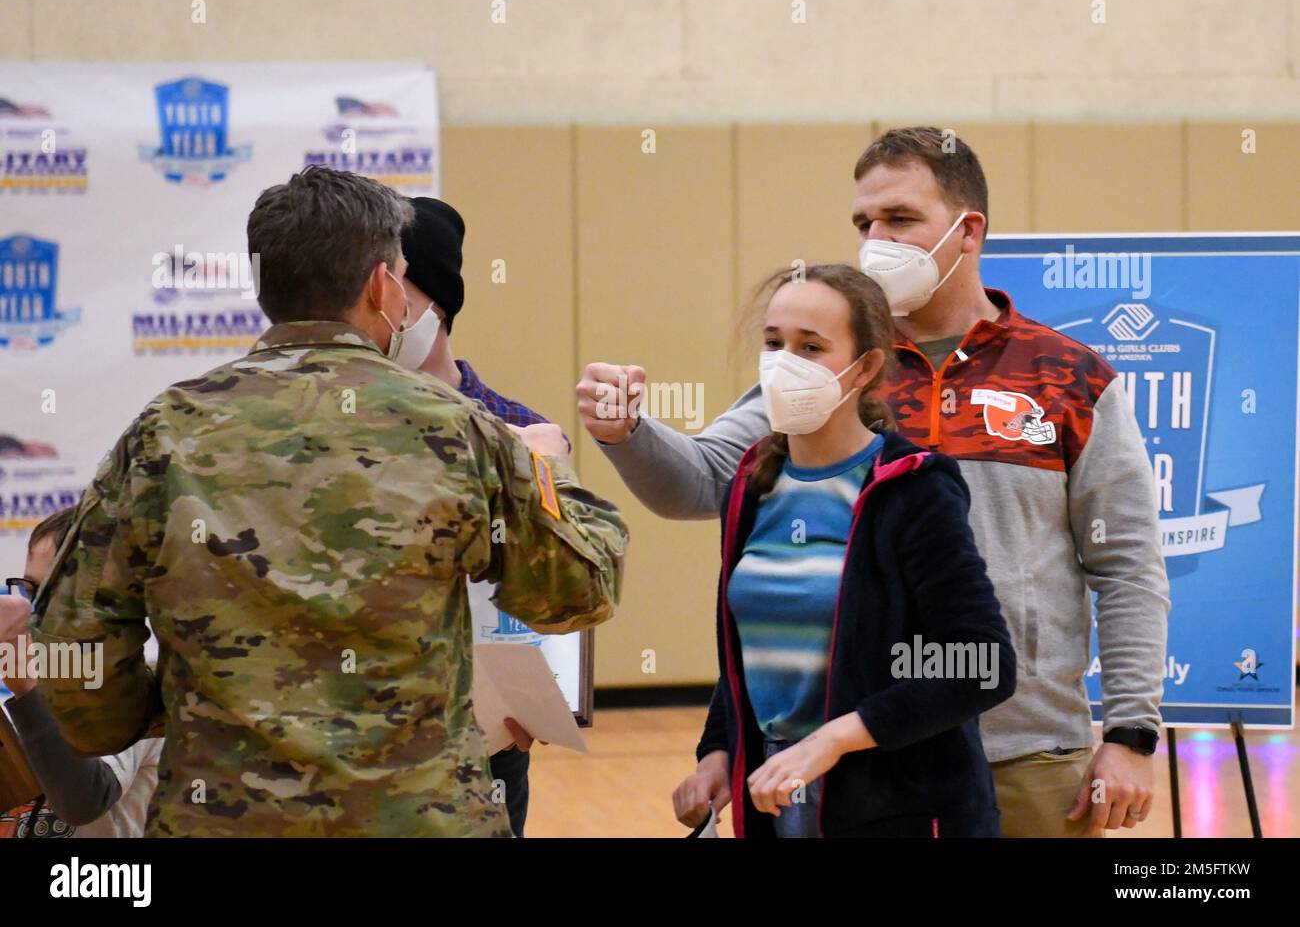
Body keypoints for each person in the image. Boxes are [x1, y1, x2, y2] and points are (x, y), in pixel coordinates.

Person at [582, 127, 1169, 837]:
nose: (874, 239)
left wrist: (1132, 733)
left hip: (1030, 755)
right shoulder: (825, 369)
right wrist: (628, 431)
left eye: (898, 219)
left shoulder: (1069, 376)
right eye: (863, 222)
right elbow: (703, 483)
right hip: (868, 761)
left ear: (967, 229)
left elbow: (1128, 563)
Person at [10, 165, 627, 837]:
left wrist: (171, 711)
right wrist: (549, 471)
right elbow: (579, 588)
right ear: (380, 285)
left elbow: (74, 653)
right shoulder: (458, 431)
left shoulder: (165, 434)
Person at [676, 264, 1013, 837]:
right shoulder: (752, 482)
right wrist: (719, 751)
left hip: (898, 807)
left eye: (811, 347)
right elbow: (756, 648)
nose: (785, 362)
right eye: (774, 343)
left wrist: (833, 740)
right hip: (775, 799)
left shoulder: (913, 486)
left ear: (866, 368)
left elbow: (982, 664)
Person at [398, 195, 550, 837]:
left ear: (433, 301)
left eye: (387, 287)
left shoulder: (520, 429)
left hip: (481, 741)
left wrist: (539, 702)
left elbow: (555, 584)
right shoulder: (335, 420)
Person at [0, 507, 162, 838]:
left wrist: (26, 689)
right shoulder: (28, 667)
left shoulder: (127, 685)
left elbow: (84, 800)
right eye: (30, 590)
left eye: (53, 593)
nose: (35, 612)